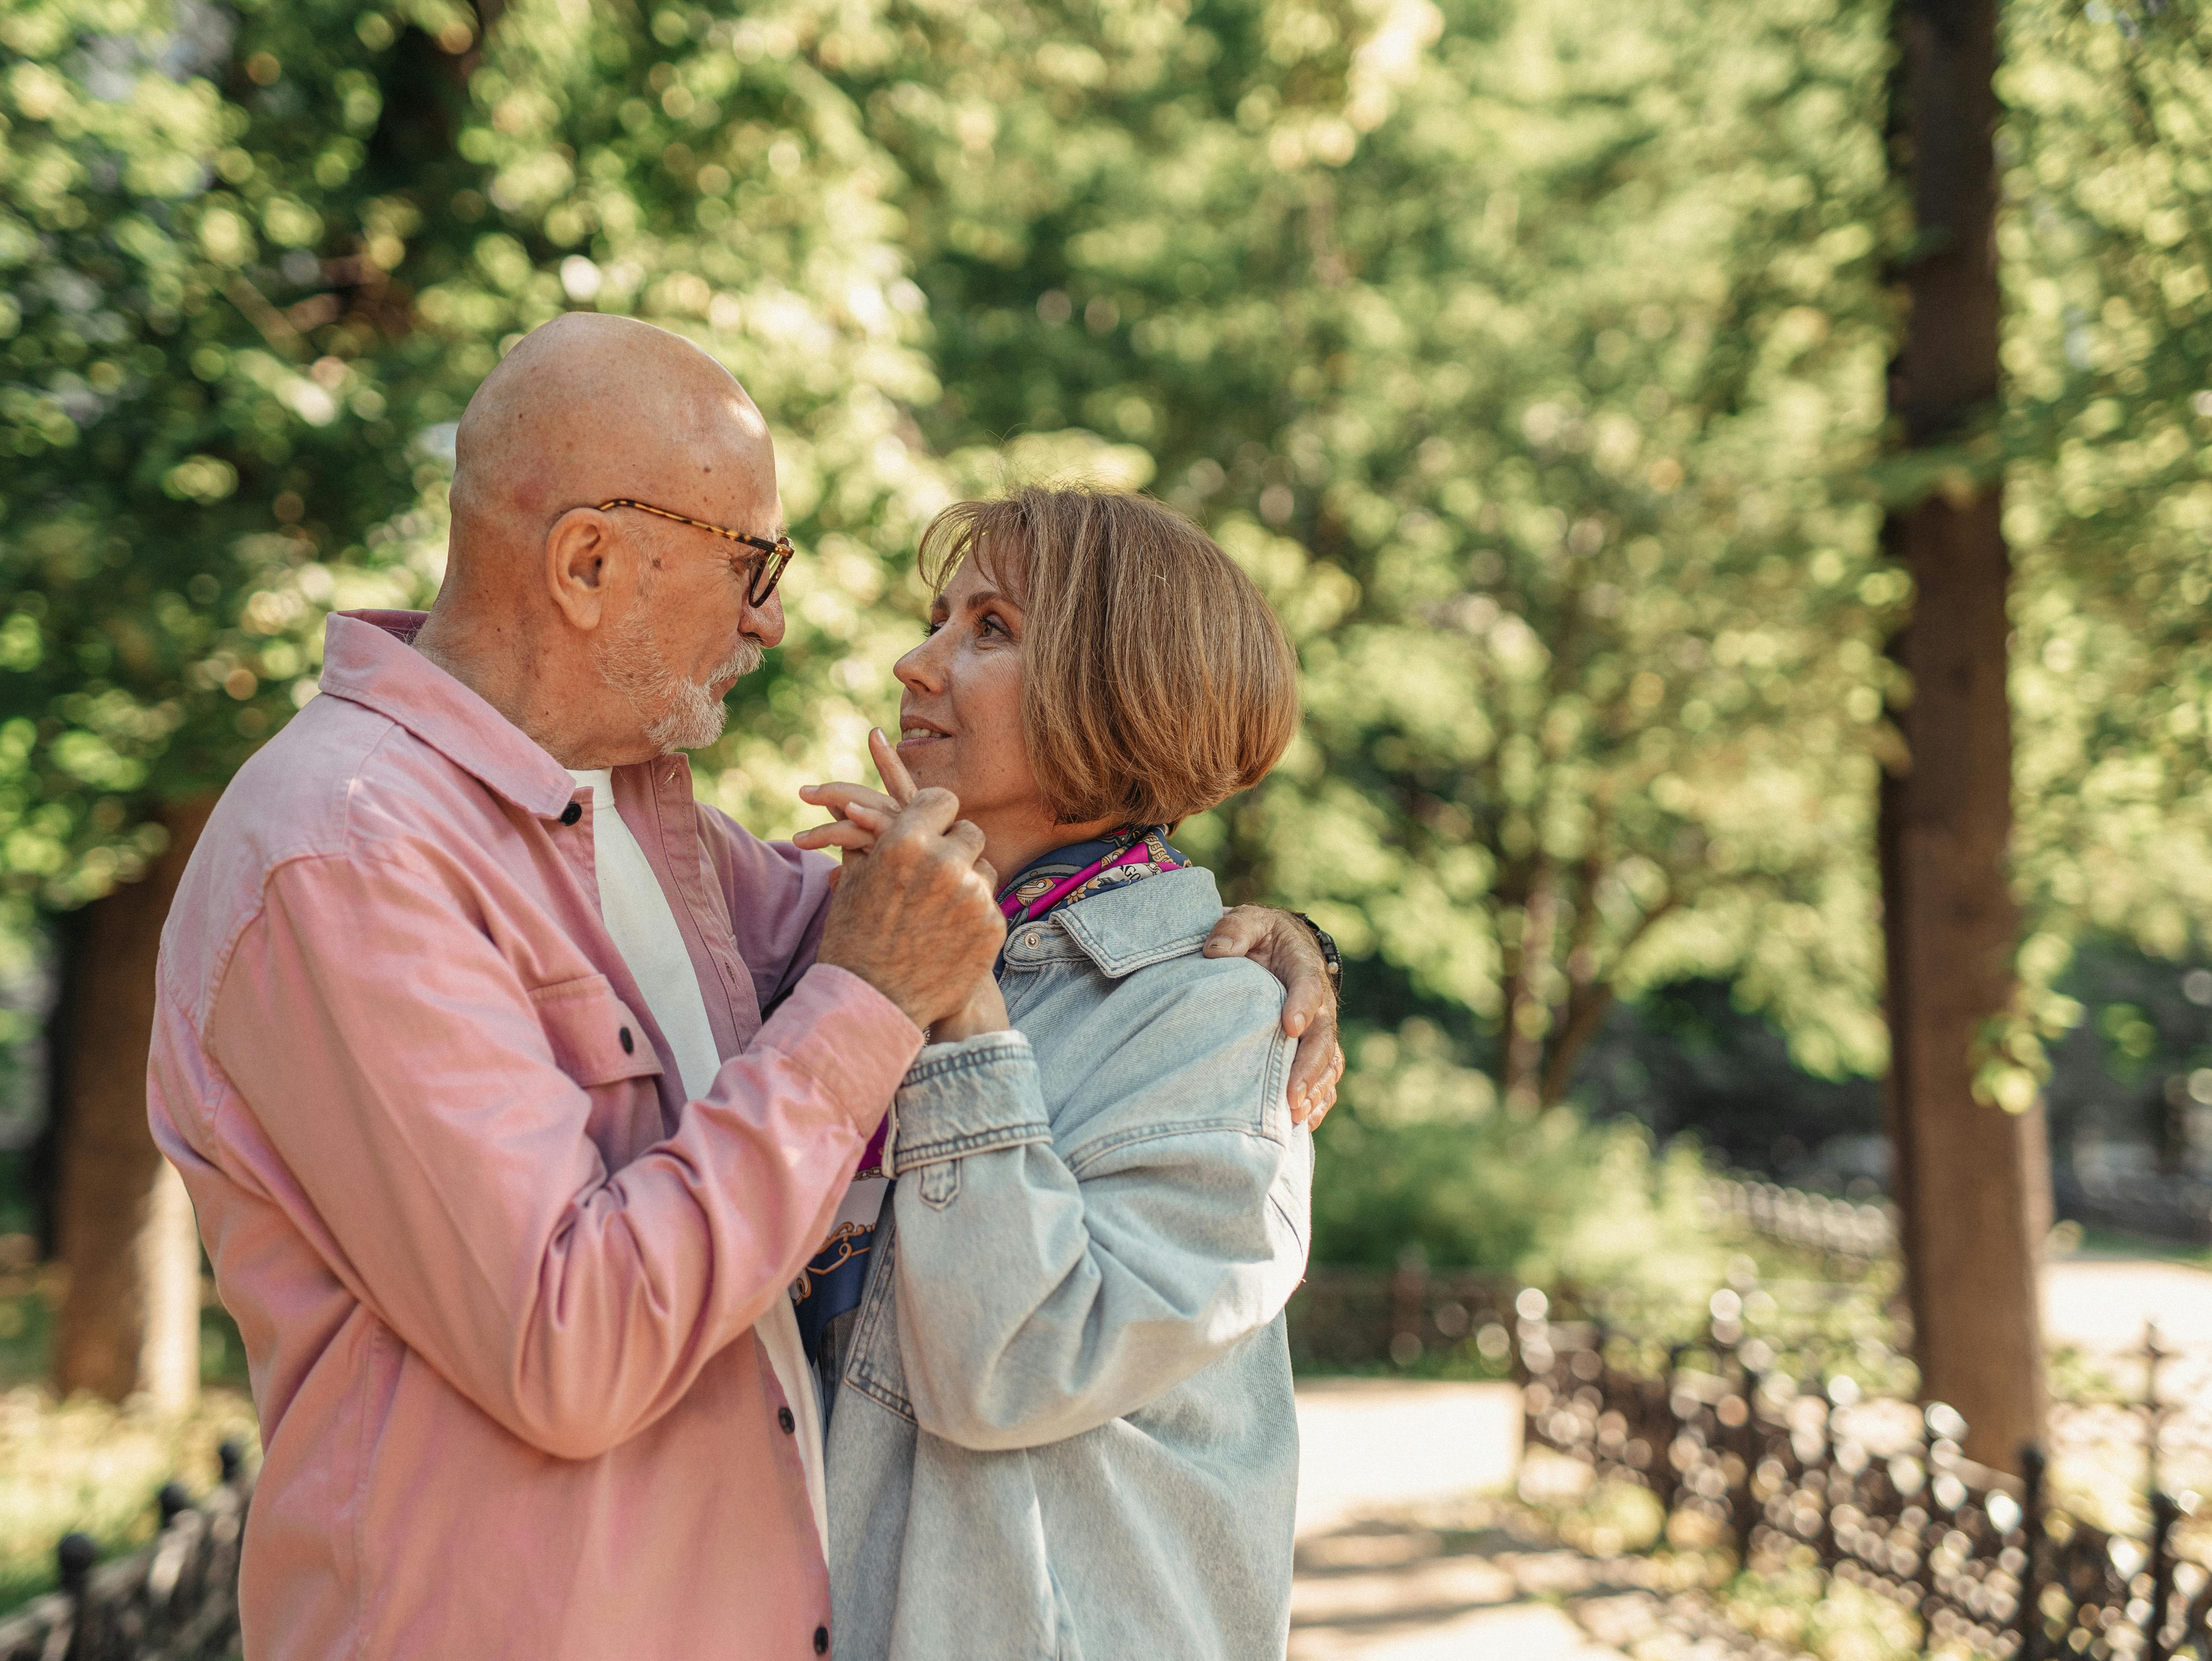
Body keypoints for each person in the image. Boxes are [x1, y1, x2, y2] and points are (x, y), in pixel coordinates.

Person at [147, 315, 1339, 1660]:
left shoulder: (637, 841)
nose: (777, 620)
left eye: (986, 626)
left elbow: (988, 937)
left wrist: (1250, 946)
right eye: (749, 563)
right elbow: (575, 1336)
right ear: (589, 563)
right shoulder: (349, 850)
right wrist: (898, 1002)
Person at [796, 487, 1319, 1661]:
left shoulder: (1222, 1023)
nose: (915, 662)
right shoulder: (843, 940)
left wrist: (964, 1015)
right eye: (939, 618)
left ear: (1118, 689)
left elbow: (1021, 1366)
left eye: (990, 629)